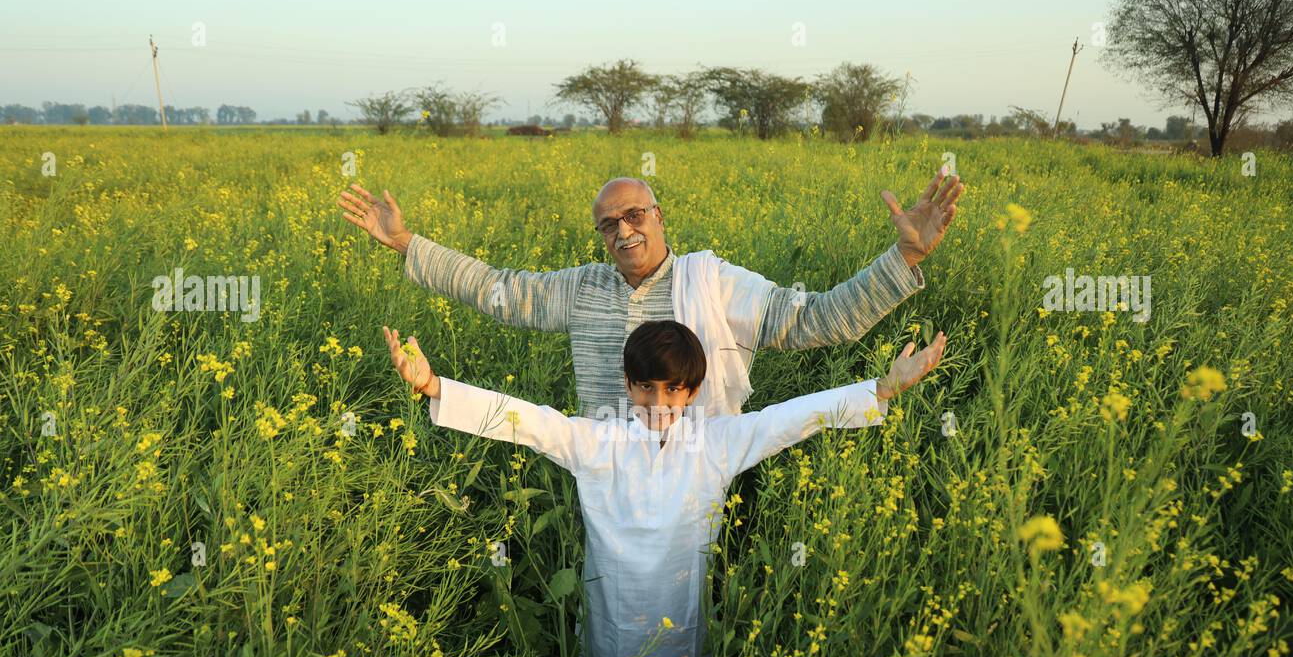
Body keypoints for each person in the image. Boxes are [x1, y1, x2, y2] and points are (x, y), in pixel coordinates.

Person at [381, 318, 947, 657]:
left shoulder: (717, 442)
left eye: (674, 388)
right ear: (628, 386)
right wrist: (433, 386)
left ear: (694, 391)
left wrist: (885, 387)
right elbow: (527, 421)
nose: (659, 400)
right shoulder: (595, 440)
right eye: (647, 386)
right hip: (612, 621)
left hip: (679, 618)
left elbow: (790, 419)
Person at [343, 170, 962, 420]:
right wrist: (407, 245)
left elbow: (817, 319)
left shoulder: (713, 283)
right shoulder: (581, 289)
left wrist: (904, 256)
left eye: (634, 214)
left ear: (659, 216)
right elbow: (498, 291)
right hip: (606, 466)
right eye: (608, 224)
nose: (623, 230)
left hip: (701, 469)